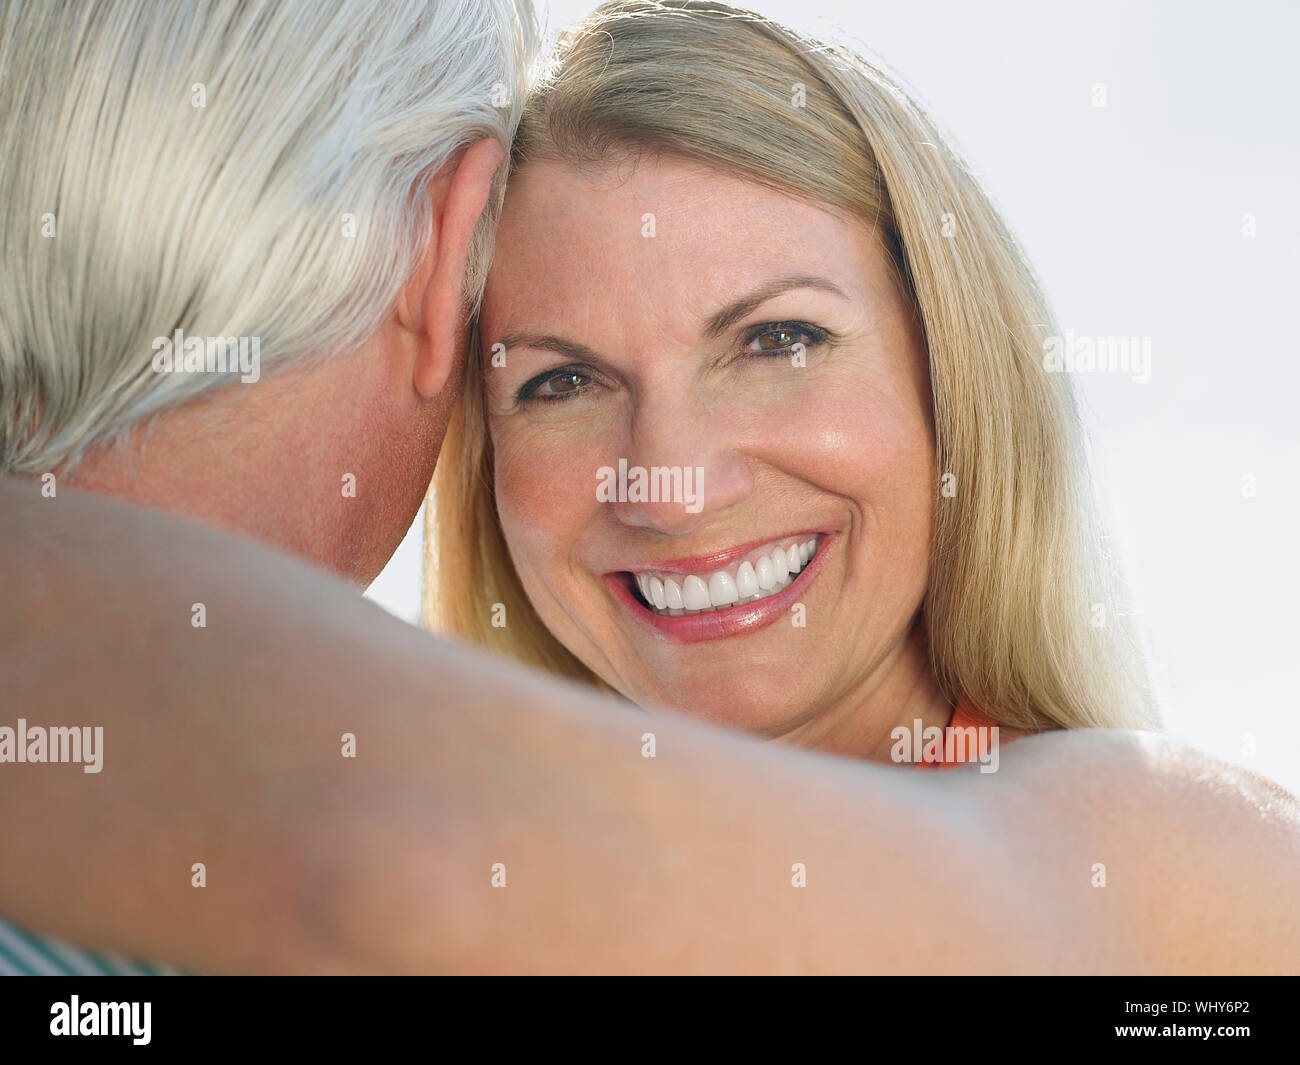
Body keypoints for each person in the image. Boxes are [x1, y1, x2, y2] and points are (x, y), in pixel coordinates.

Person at [1, 0, 1296, 976]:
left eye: (777, 340)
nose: (669, 484)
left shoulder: (1186, 865)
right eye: (560, 382)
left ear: (955, 370)